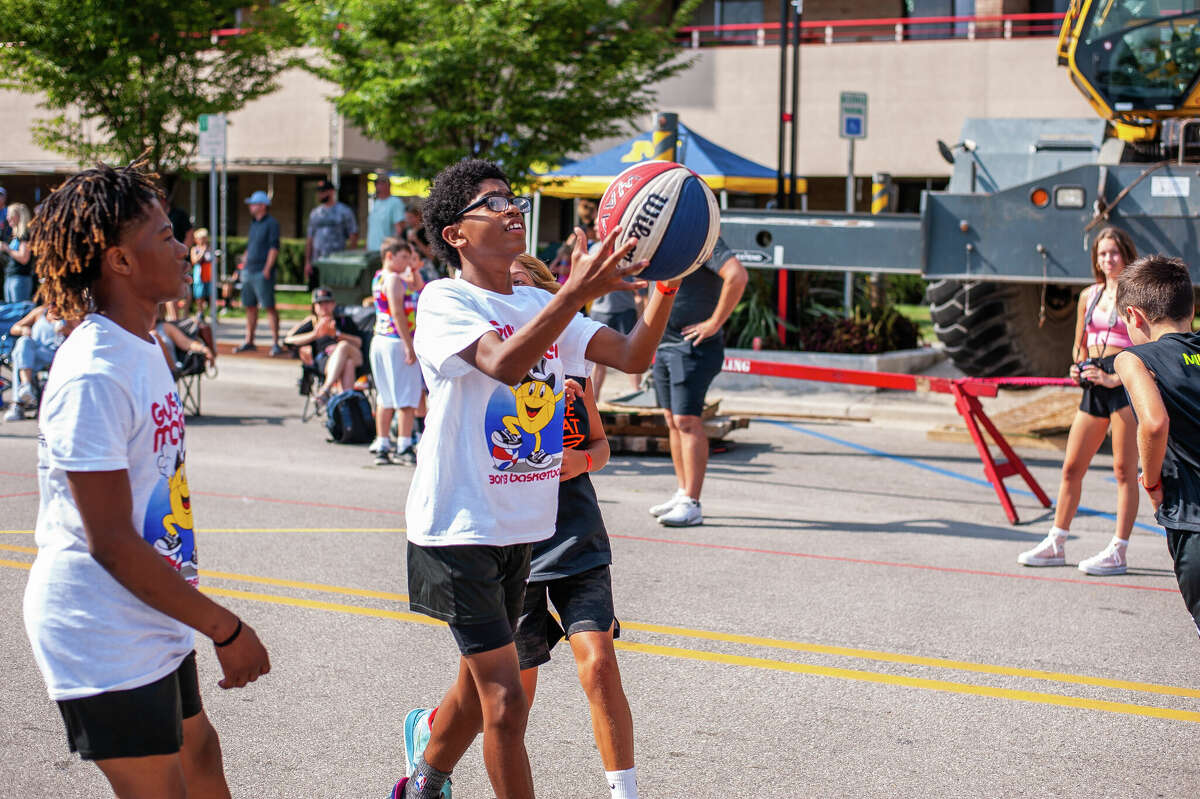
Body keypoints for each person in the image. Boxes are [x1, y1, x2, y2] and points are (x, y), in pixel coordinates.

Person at [390, 158, 676, 799]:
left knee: (473, 685)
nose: (510, 207)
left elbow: (632, 356)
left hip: (523, 527)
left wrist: (667, 283)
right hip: (458, 527)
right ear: (455, 234)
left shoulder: (533, 300)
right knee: (505, 698)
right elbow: (504, 363)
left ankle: (423, 781)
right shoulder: (447, 299)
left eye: (511, 197)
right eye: (490, 203)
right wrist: (573, 291)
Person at [22, 160, 269, 798]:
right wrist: (226, 627)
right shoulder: (93, 373)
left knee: (202, 753)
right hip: (99, 624)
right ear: (119, 261)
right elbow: (108, 540)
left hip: (151, 611)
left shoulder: (146, 344)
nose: (184, 247)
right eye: (164, 236)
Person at [507, 254, 641, 799]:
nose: (510, 296)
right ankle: (431, 736)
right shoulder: (482, 368)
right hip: (512, 541)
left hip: (576, 533)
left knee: (600, 663)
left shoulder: (569, 378)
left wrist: (581, 462)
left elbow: (600, 445)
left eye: (521, 285)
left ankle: (625, 792)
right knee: (513, 694)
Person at [1017, 227, 1140, 575]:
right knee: (1071, 467)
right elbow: (1079, 343)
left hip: (1123, 384)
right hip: (1092, 384)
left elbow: (1147, 349)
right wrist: (1077, 366)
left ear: (1126, 255)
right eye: (1102, 254)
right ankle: (1056, 541)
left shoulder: (1136, 296)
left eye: (1114, 253)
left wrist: (1115, 378)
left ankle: (1119, 550)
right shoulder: (1089, 295)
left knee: (1123, 471)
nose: (1108, 260)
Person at [1113, 255, 1200, 637]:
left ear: (1134, 315)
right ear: (1191, 308)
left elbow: (1154, 423)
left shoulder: (1133, 359)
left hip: (1191, 516)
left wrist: (1149, 481)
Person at [647, 235, 747, 527]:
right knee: (672, 420)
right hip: (665, 344)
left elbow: (737, 276)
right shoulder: (663, 239)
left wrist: (715, 322)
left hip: (692, 346)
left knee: (687, 421)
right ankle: (682, 493)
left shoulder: (703, 239)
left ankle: (692, 502)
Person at [370, 237, 424, 465]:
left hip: (382, 339)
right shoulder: (392, 279)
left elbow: (417, 287)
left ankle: (382, 443)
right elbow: (397, 313)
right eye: (403, 257)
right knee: (406, 398)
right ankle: (403, 445)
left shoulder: (381, 277)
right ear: (390, 256)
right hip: (395, 340)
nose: (406, 262)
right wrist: (408, 344)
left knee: (387, 395)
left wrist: (413, 267)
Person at [283, 286, 364, 411]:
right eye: (320, 303)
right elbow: (288, 340)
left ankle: (326, 389)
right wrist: (315, 334)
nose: (324, 306)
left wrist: (337, 335)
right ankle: (345, 408)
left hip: (354, 354)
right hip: (327, 362)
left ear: (333, 304)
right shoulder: (312, 322)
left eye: (327, 302)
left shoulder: (343, 320)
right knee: (348, 363)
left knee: (343, 346)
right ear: (314, 306)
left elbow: (359, 342)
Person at [4, 302, 76, 422]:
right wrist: (23, 329)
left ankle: (18, 403)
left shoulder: (69, 316)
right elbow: (14, 328)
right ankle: (26, 386)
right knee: (23, 343)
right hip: (34, 354)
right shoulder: (39, 312)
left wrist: (67, 330)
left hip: (56, 355)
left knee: (20, 359)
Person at [304, 178, 358, 288]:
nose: (320, 194)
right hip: (317, 261)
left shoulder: (344, 211)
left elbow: (353, 234)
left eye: (323, 191)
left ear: (332, 192)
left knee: (335, 293)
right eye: (318, 192)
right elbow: (310, 238)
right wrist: (307, 262)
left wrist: (350, 257)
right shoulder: (315, 213)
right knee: (317, 294)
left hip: (337, 261)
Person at [3, 201, 35, 303]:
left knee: (18, 311)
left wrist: (6, 248)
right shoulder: (16, 235)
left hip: (20, 278)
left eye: (10, 215)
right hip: (11, 277)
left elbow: (24, 258)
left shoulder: (25, 235)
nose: (8, 218)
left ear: (19, 216)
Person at [368, 175, 407, 252]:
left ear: (388, 185)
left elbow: (400, 228)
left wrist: (394, 249)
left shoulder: (395, 202)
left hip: (386, 250)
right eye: (376, 183)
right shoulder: (377, 203)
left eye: (381, 183)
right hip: (372, 249)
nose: (378, 186)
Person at [189, 228, 214, 317]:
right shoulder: (194, 249)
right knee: (199, 296)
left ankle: (213, 313)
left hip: (210, 276)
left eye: (205, 237)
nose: (204, 240)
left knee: (212, 295)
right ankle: (200, 313)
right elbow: (194, 261)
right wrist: (203, 251)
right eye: (202, 238)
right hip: (199, 277)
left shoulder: (211, 248)